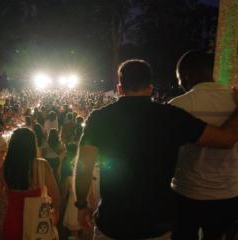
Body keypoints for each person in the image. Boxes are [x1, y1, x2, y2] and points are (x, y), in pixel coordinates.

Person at [74, 59, 238, 240]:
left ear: (120, 89)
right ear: (149, 89)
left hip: (112, 223)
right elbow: (226, 139)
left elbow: (84, 168)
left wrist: (81, 205)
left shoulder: (98, 118)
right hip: (156, 224)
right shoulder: (172, 116)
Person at [168, 51, 238, 239]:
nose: (179, 84)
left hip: (187, 194)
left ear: (187, 75)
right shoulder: (234, 101)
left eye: (179, 78)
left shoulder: (179, 105)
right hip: (228, 195)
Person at [0, 128, 60, 239]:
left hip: (12, 223)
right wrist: (55, 211)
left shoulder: (5, 170)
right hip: (36, 223)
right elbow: (55, 196)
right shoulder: (42, 165)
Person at [61, 144, 81, 240]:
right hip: (81, 204)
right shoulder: (83, 179)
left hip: (71, 205)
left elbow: (64, 193)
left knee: (74, 231)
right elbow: (89, 195)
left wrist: (58, 202)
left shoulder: (68, 179)